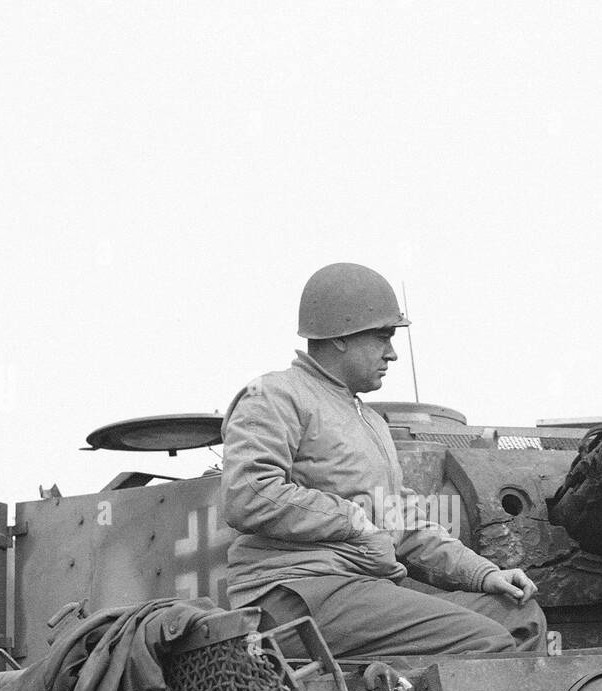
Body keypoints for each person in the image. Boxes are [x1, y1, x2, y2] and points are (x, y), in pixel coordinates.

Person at [220, 262, 546, 659]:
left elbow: (404, 523)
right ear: (341, 335)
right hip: (295, 592)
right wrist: (352, 518)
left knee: (518, 615)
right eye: (382, 337)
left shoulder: (368, 420)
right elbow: (248, 493)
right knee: (482, 640)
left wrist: (485, 574)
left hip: (362, 589)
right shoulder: (275, 395)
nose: (391, 354)